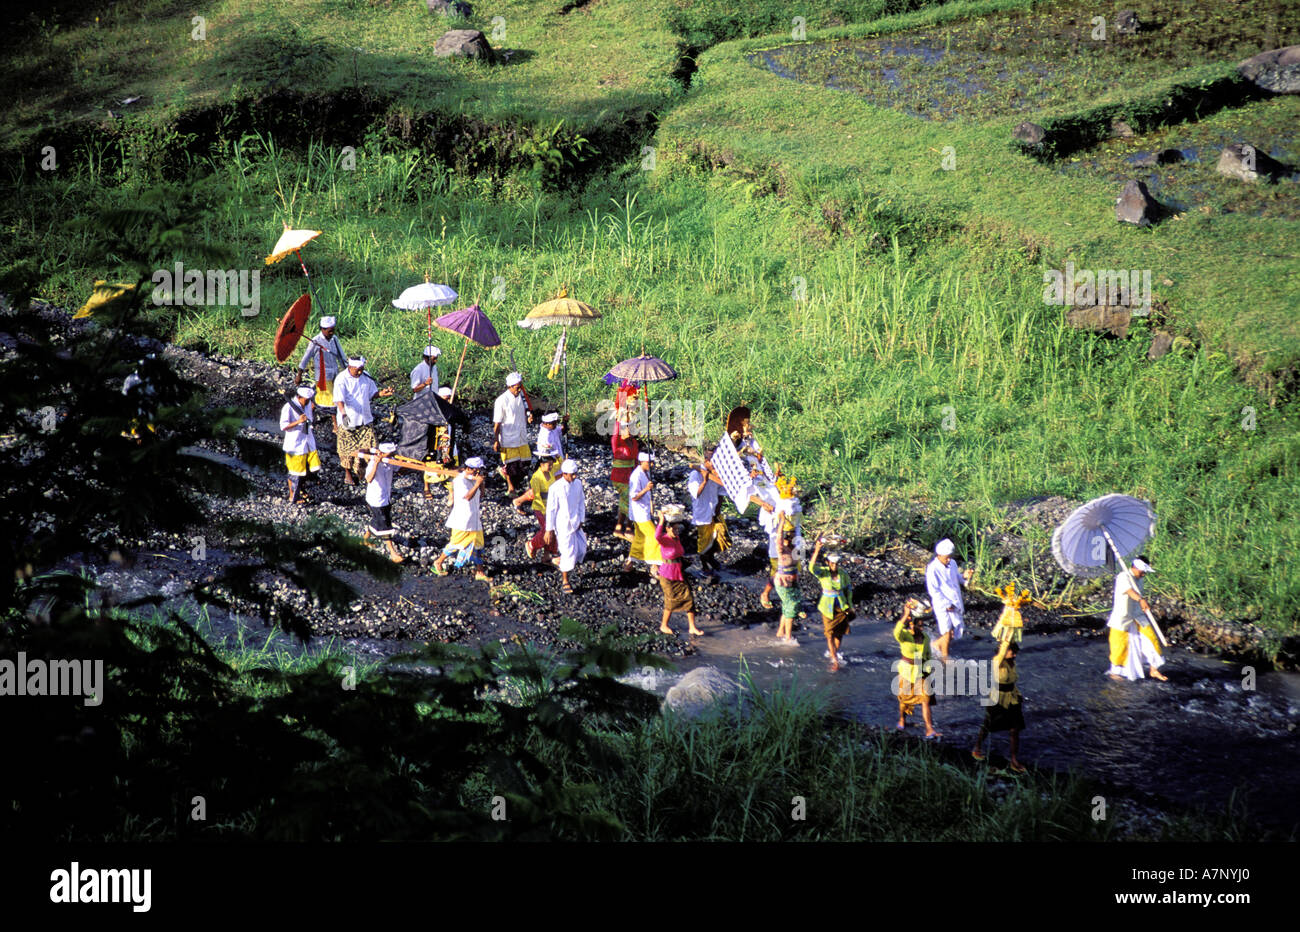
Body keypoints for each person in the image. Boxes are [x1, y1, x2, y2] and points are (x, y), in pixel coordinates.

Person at [334, 356, 393, 485]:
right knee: (346, 450)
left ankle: (366, 470)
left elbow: (373, 393)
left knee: (371, 446)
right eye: (358, 370)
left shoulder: (366, 376)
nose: (360, 372)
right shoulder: (341, 379)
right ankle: (348, 474)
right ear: (350, 367)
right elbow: (339, 400)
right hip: (349, 420)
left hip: (365, 419)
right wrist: (343, 414)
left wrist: (382, 394)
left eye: (362, 369)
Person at [1107, 556, 1167, 682]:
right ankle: (1116, 672)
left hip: (1137, 615)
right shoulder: (1123, 577)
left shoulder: (1139, 579)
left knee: (1151, 638)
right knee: (1119, 647)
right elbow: (1129, 591)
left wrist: (1141, 603)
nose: (1144, 574)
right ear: (1135, 568)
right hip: (1122, 617)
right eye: (1142, 571)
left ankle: (1154, 669)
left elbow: (1137, 593)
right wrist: (1140, 599)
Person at [972, 637, 1026, 773]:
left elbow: (1012, 682)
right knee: (988, 724)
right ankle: (977, 747)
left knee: (1015, 729)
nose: (1014, 655)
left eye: (1015, 653)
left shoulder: (1011, 663)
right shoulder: (998, 661)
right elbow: (1002, 652)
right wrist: (1006, 638)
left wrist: (1018, 695)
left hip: (1011, 697)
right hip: (997, 697)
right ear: (1004, 651)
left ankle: (1014, 759)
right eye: (1012, 652)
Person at [432, 457, 489, 581]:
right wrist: (478, 483)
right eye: (476, 471)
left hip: (474, 518)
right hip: (462, 520)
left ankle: (480, 572)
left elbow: (481, 495)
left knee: (479, 545)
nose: (477, 473)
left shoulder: (474, 479)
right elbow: (468, 497)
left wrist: (481, 483)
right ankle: (438, 561)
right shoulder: (459, 480)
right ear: (468, 468)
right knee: (455, 544)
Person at [361, 442, 415, 564]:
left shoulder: (390, 462)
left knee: (377, 520)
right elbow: (369, 479)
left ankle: (365, 539)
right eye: (390, 454)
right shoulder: (372, 463)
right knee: (385, 525)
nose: (392, 456)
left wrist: (410, 465)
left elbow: (400, 471)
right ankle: (392, 553)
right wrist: (376, 462)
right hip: (376, 500)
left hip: (386, 498)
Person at [893, 598, 940, 738]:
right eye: (918, 626)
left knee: (925, 701)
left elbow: (928, 655)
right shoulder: (905, 636)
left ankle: (929, 729)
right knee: (904, 701)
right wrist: (905, 615)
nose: (921, 628)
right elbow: (896, 632)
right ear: (911, 625)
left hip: (922, 672)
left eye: (922, 626)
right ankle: (902, 719)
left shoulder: (925, 637)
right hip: (907, 673)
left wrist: (930, 671)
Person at [654, 510, 703, 637]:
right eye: (674, 529)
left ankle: (692, 627)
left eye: (677, 529)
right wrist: (661, 521)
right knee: (671, 600)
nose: (677, 532)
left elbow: (679, 552)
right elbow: (656, 536)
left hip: (679, 574)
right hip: (667, 576)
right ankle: (664, 625)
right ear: (668, 529)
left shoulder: (677, 538)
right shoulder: (664, 539)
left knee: (689, 598)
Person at [809, 538, 854, 671]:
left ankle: (832, 652)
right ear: (828, 563)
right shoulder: (823, 572)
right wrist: (817, 549)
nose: (834, 565)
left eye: (836, 563)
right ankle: (834, 660)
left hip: (841, 606)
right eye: (832, 563)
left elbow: (848, 591)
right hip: (827, 607)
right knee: (829, 634)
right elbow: (811, 568)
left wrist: (850, 606)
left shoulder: (843, 574)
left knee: (839, 634)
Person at [544, 459, 587, 594]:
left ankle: (560, 562)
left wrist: (581, 519)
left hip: (575, 522)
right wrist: (549, 529)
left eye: (575, 474)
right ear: (564, 474)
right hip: (562, 524)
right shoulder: (555, 488)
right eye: (571, 474)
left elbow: (581, 502)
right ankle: (565, 580)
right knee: (568, 552)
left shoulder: (578, 484)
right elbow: (551, 510)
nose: (574, 477)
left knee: (581, 549)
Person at [926, 538, 973, 661]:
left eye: (950, 556)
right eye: (946, 557)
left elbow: (957, 578)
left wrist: (965, 577)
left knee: (952, 632)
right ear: (939, 555)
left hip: (955, 601)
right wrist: (946, 604)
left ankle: (935, 645)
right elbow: (933, 590)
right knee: (947, 632)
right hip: (942, 604)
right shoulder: (933, 569)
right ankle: (945, 658)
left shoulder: (952, 563)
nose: (948, 559)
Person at [758, 477, 799, 610]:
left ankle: (793, 601)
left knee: (794, 574)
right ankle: (765, 594)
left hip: (793, 548)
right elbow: (774, 532)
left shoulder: (795, 510)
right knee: (777, 573)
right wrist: (780, 519)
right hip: (779, 549)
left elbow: (798, 528)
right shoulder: (775, 509)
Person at [687, 449, 729, 578]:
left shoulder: (716, 474)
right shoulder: (696, 474)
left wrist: (717, 511)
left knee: (721, 536)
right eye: (714, 462)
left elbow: (721, 492)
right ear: (707, 461)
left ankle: (711, 558)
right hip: (702, 514)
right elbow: (696, 494)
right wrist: (704, 481)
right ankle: (704, 566)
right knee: (704, 542)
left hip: (713, 511)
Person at [516, 447, 559, 560]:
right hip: (541, 508)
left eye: (551, 464)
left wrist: (557, 455)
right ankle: (532, 544)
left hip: (552, 506)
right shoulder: (536, 478)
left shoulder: (551, 471)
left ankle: (548, 554)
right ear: (541, 464)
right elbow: (537, 496)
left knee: (553, 529)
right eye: (548, 464)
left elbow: (560, 464)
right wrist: (545, 511)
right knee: (546, 529)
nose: (550, 466)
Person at [493, 372, 532, 495]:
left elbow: (523, 412)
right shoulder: (501, 401)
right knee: (510, 465)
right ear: (510, 386)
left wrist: (528, 418)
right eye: (516, 387)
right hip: (508, 437)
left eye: (520, 386)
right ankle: (510, 487)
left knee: (525, 462)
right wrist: (496, 440)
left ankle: (516, 483)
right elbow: (497, 424)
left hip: (521, 435)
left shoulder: (521, 397)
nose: (519, 389)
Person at [279, 385, 320, 504]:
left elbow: (310, 420)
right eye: (306, 400)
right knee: (294, 473)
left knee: (312, 468)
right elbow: (283, 426)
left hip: (307, 443)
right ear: (299, 397)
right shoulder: (288, 407)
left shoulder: (307, 405)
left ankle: (300, 488)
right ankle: (293, 496)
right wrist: (298, 422)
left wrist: (310, 410)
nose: (308, 402)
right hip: (295, 445)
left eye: (309, 400)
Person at [623, 452, 662, 571]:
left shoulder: (646, 473)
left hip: (645, 510)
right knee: (654, 537)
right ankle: (654, 566)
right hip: (639, 513)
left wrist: (651, 505)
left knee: (640, 537)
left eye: (653, 462)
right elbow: (634, 497)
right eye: (650, 462)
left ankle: (630, 562)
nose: (652, 464)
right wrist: (646, 489)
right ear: (642, 462)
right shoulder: (636, 475)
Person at [297, 316, 348, 407]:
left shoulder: (334, 339)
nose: (331, 333)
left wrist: (347, 370)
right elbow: (305, 358)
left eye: (333, 330)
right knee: (330, 401)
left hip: (335, 373)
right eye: (329, 331)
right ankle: (334, 420)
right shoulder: (315, 341)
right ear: (322, 329)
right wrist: (299, 375)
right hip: (323, 376)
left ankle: (313, 408)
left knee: (338, 396)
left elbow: (341, 356)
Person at [424, 385, 461, 501]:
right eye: (445, 399)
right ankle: (426, 488)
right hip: (435, 445)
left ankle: (451, 492)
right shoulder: (432, 411)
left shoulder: (452, 410)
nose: (447, 401)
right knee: (429, 467)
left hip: (449, 444)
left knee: (452, 467)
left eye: (449, 399)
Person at [610, 420, 639, 537]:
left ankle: (619, 526)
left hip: (630, 476)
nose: (630, 430)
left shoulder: (634, 442)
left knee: (624, 500)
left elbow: (636, 460)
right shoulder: (617, 441)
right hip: (619, 477)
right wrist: (620, 417)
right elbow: (615, 432)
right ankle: (628, 527)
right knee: (630, 500)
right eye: (627, 428)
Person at [772, 528, 802, 642]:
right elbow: (778, 538)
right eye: (786, 537)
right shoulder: (781, 549)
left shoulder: (795, 549)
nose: (788, 540)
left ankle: (780, 631)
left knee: (787, 606)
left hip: (793, 582)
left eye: (790, 538)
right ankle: (788, 638)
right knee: (791, 606)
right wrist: (782, 520)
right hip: (782, 582)